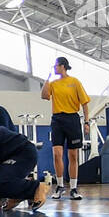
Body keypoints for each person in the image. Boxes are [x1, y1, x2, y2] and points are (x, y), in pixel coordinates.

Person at [41, 56, 90, 200]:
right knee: (57, 153)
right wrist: (47, 79)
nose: (54, 68)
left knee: (73, 155)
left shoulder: (74, 82)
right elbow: (44, 96)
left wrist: (86, 122)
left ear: (62, 66)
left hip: (72, 119)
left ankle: (74, 188)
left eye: (56, 65)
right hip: (57, 119)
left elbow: (85, 103)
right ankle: (60, 186)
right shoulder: (54, 83)